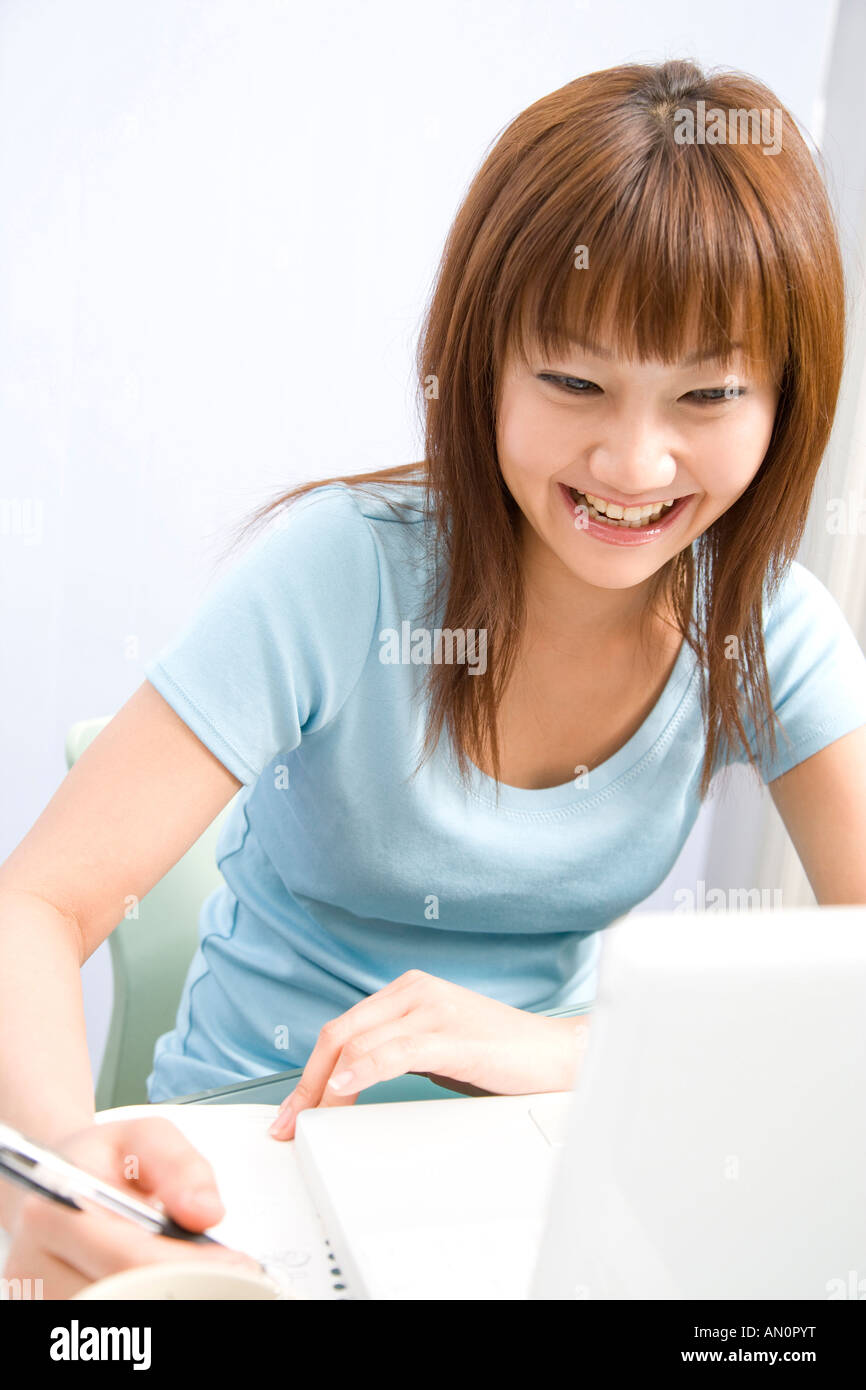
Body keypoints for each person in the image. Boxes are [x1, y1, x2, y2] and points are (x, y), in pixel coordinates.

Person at [2, 58, 866, 1298]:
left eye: (707, 394)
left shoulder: (766, 626)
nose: (632, 460)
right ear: (482, 366)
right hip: (255, 1163)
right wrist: (64, 1159)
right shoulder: (337, 575)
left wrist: (563, 1048)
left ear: (784, 404)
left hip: (537, 1167)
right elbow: (32, 907)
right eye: (572, 381)